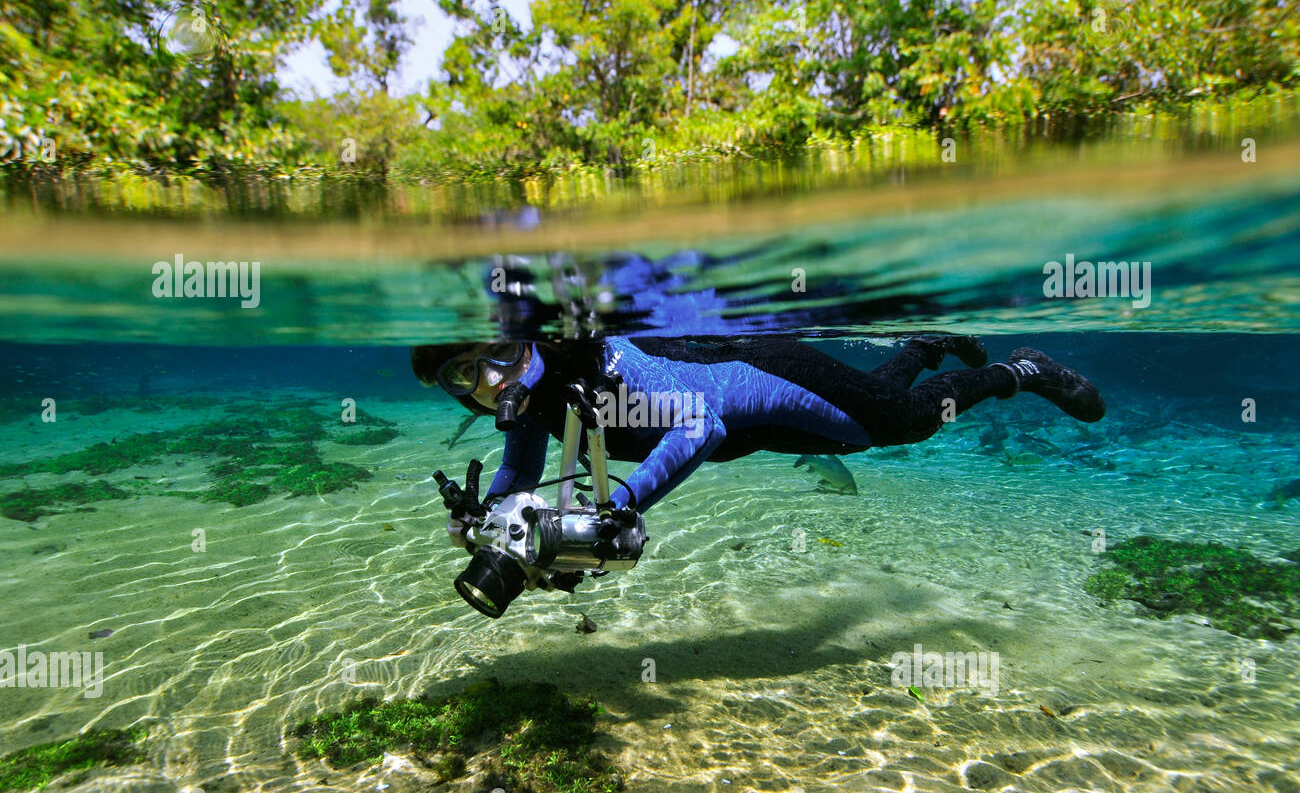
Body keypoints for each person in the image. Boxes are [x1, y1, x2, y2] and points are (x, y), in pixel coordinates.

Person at [412, 334, 1105, 514]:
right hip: (759, 427)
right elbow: (520, 473)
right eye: (462, 374)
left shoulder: (606, 365)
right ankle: (924, 346)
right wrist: (489, 516)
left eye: (500, 355)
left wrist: (624, 502)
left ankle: (1023, 371)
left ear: (537, 339)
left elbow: (699, 425)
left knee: (906, 423)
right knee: (869, 415)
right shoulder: (535, 400)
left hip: (772, 382)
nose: (492, 381)